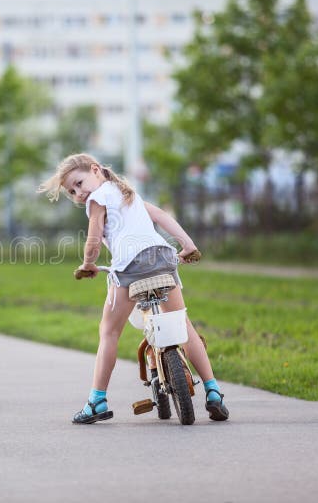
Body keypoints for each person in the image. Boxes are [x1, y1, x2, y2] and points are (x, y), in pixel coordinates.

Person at [37, 153, 229, 424]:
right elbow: (162, 216)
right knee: (184, 326)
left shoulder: (97, 199)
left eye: (79, 183)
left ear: (95, 170)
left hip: (131, 267)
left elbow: (93, 239)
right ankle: (213, 392)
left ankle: (96, 401)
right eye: (72, 191)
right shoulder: (128, 194)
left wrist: (88, 264)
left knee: (109, 332)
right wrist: (188, 245)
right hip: (164, 258)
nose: (79, 193)